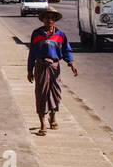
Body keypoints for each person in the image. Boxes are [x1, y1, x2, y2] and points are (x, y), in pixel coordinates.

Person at [26, 7, 78, 135]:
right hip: (41, 66)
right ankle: (43, 123)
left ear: (55, 20)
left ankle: (53, 117)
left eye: (52, 18)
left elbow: (66, 51)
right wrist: (29, 69)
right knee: (41, 93)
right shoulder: (36, 33)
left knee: (55, 93)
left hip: (54, 67)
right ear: (43, 19)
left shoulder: (60, 35)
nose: (49, 20)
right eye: (47, 17)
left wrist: (71, 63)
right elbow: (32, 53)